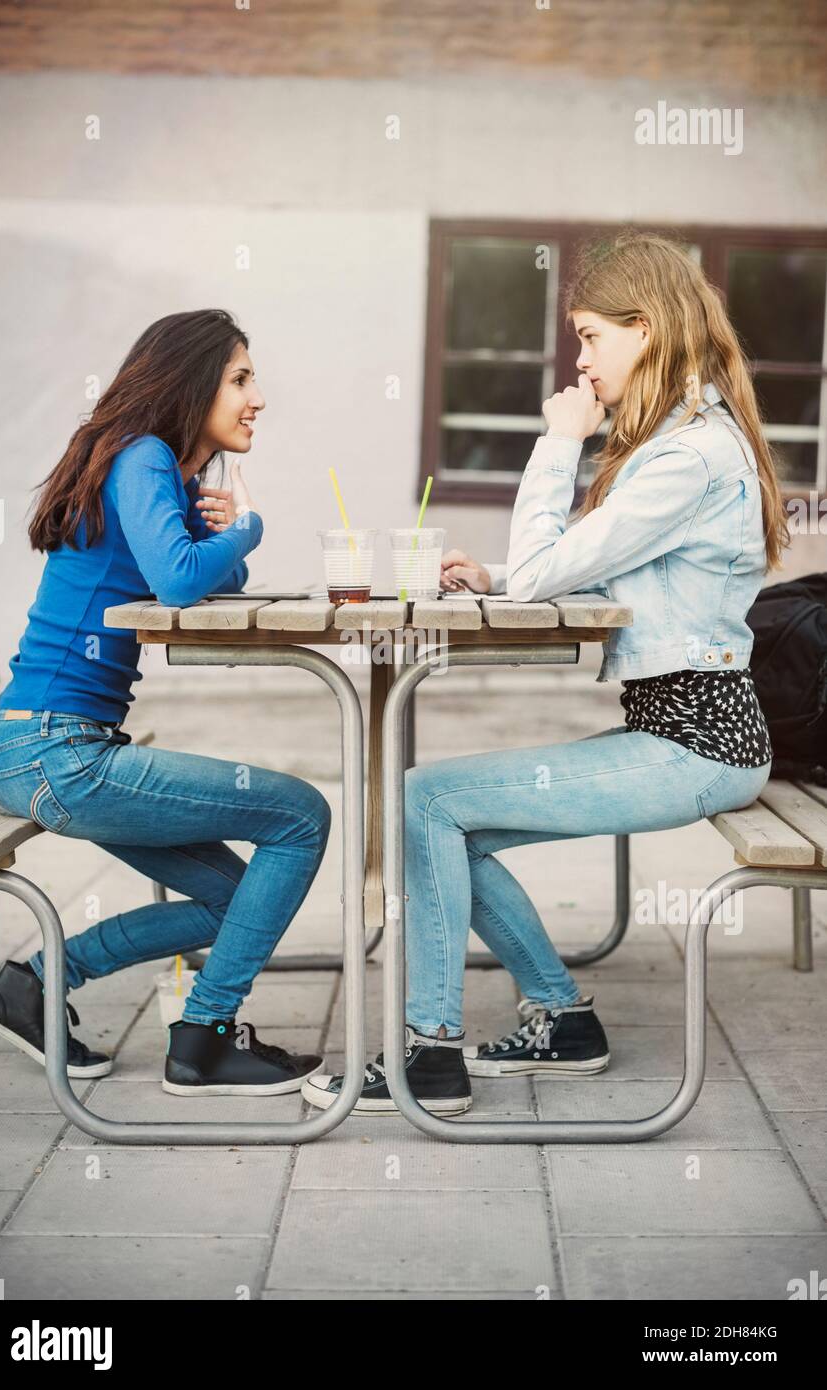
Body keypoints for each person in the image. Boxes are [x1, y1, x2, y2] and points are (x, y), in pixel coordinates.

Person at [304, 231, 785, 1116]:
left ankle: (430, 1055)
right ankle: (561, 1021)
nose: (580, 359)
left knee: (424, 801)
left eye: (591, 336)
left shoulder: (685, 455)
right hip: (684, 730)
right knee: (443, 817)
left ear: (646, 329)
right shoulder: (686, 441)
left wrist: (557, 443)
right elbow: (600, 570)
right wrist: (495, 574)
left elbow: (543, 574)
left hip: (698, 743)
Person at [0, 310, 330, 1097]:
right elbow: (176, 582)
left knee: (236, 898)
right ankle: (202, 1040)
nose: (257, 397)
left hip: (44, 745)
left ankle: (32, 984)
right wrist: (254, 528)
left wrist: (221, 537)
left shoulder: (157, 469)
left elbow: (204, 581)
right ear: (191, 381)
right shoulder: (142, 457)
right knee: (302, 817)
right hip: (56, 756)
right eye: (240, 379)